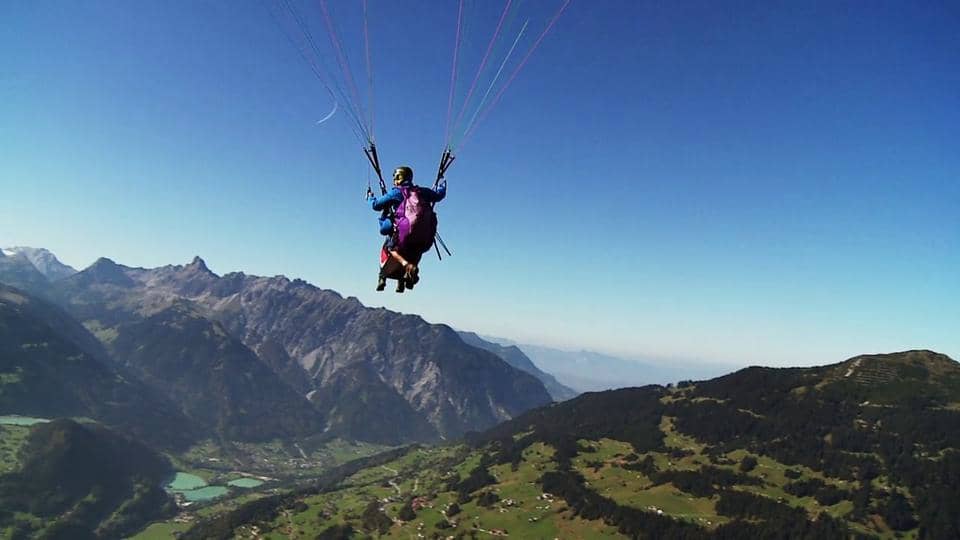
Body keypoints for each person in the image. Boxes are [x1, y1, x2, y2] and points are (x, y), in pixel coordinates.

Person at [369, 166, 446, 292]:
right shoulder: (422, 192)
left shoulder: (396, 193)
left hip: (404, 235)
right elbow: (439, 195)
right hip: (425, 239)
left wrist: (370, 197)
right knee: (417, 250)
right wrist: (443, 182)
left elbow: (376, 205)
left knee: (390, 247)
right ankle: (406, 275)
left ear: (399, 177)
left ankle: (403, 267)